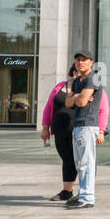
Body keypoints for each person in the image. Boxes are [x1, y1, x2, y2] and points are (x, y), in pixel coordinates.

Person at [65, 49, 106, 209]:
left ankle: (88, 197)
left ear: (91, 62)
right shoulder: (77, 81)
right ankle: (82, 194)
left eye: (84, 60)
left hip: (88, 125)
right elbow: (69, 103)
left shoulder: (93, 77)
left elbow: (82, 103)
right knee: (80, 163)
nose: (80, 62)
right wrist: (76, 97)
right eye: (78, 60)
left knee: (87, 163)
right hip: (78, 125)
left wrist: (76, 98)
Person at [41, 67, 79, 200]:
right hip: (59, 131)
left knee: (81, 161)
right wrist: (45, 128)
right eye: (76, 71)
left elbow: (102, 108)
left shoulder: (88, 88)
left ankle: (86, 192)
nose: (78, 74)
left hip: (79, 131)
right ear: (72, 72)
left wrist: (101, 130)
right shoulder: (60, 86)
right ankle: (66, 192)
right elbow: (49, 107)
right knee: (67, 159)